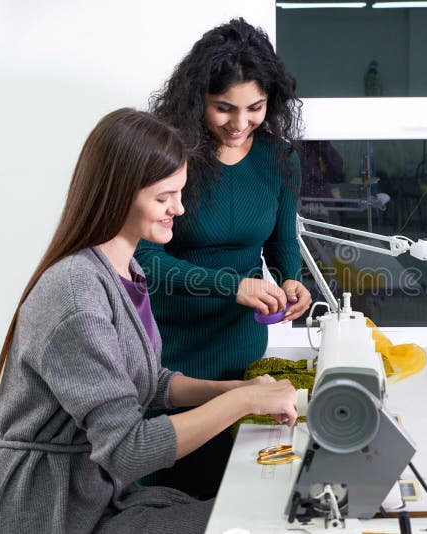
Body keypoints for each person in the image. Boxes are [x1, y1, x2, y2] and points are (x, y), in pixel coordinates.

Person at [0, 108, 297, 534]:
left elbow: (150, 383)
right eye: (164, 197)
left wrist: (239, 389)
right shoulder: (76, 296)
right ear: (119, 192)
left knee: (261, 513)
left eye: (180, 193)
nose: (179, 208)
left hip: (102, 495)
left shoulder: (123, 272)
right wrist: (244, 403)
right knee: (255, 523)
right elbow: (129, 450)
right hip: (56, 512)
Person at [134, 18, 311, 497]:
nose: (239, 123)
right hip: (174, 360)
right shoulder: (171, 157)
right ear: (198, 102)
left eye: (255, 107)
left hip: (242, 355)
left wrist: (293, 282)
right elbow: (144, 261)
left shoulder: (279, 157)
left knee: (233, 497)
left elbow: (280, 243)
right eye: (223, 108)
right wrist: (231, 286)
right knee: (169, 499)